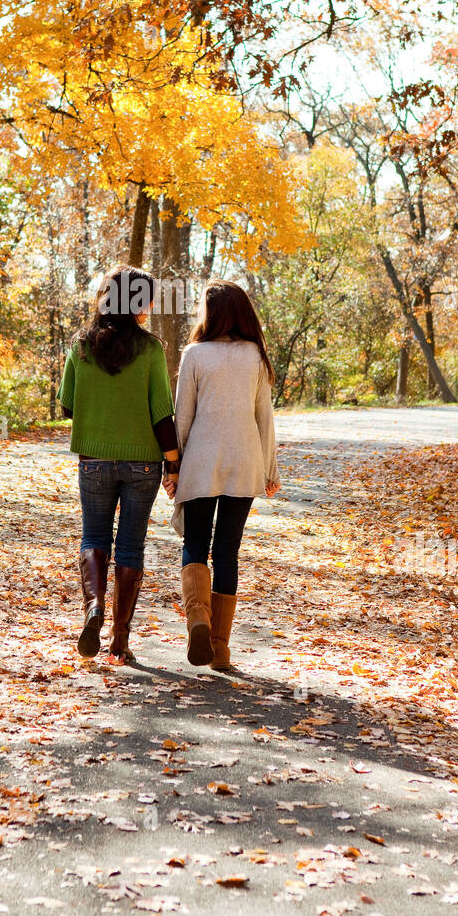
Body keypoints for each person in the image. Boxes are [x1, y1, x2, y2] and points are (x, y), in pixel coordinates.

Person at [58, 266, 180, 663]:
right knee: (131, 545)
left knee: (94, 538)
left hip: (94, 460)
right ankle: (119, 641)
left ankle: (94, 607)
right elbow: (162, 413)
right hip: (143, 464)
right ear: (137, 302)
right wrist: (173, 464)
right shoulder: (151, 350)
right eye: (147, 298)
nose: (151, 305)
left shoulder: (80, 345)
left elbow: (67, 404)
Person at [166, 279, 281, 670]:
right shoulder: (255, 356)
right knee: (228, 550)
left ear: (211, 314)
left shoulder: (195, 355)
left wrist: (173, 466)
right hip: (245, 460)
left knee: (196, 543)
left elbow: (183, 417)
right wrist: (270, 468)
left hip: (201, 460)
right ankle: (219, 649)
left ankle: (197, 616)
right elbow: (265, 419)